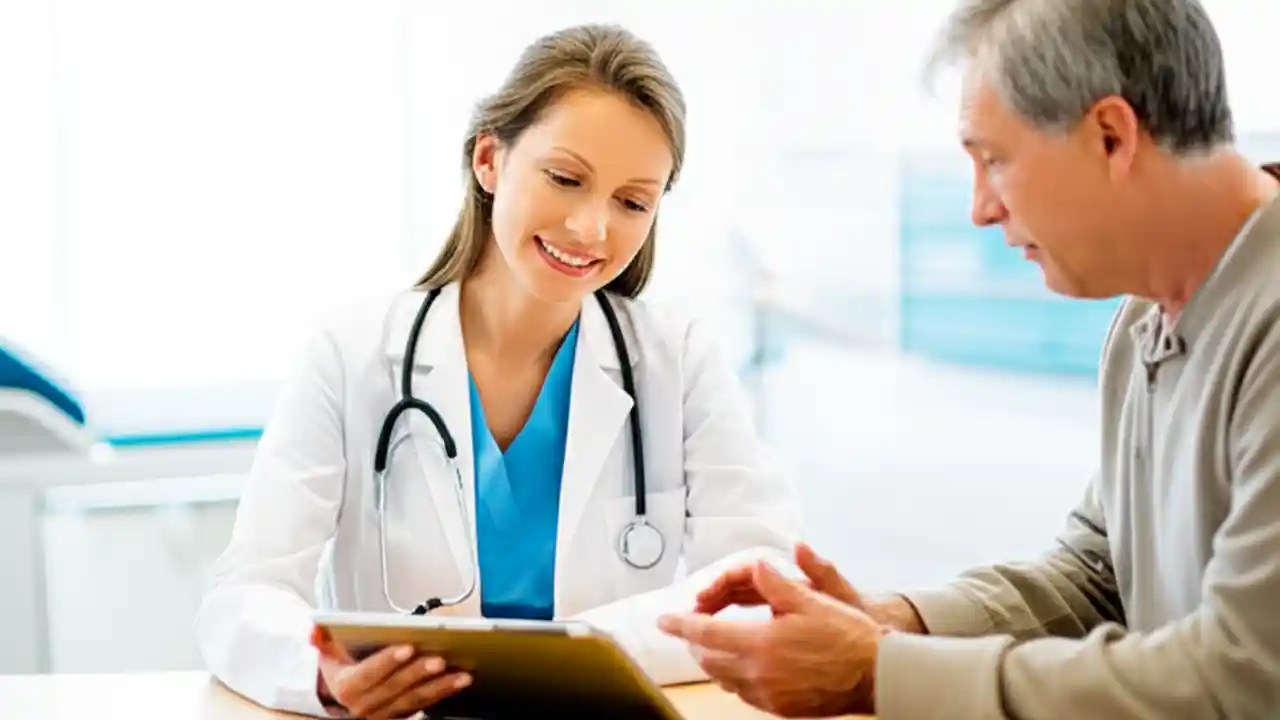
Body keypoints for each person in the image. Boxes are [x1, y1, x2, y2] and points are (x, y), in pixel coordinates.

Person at [658, 1, 1280, 718]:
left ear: (1111, 135)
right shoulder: (1150, 311)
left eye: (993, 159)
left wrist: (876, 672)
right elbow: (1100, 574)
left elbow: (1244, 677)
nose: (980, 209)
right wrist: (889, 625)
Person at [196, 23, 801, 719]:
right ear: (490, 159)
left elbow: (757, 583)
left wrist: (576, 652)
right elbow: (245, 592)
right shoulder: (352, 352)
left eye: (632, 201)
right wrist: (324, 677)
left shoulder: (678, 357)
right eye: (565, 179)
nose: (591, 229)